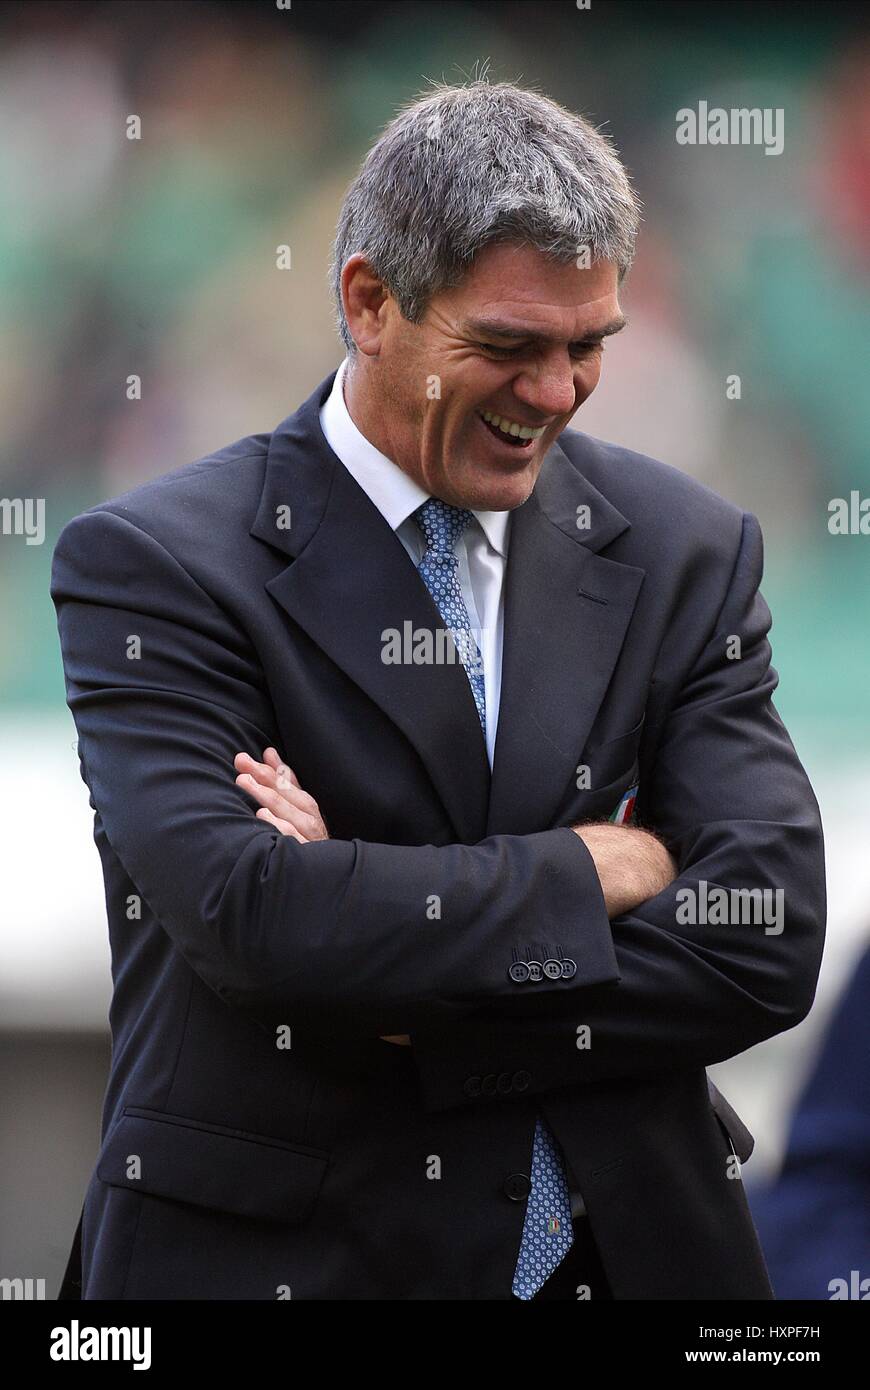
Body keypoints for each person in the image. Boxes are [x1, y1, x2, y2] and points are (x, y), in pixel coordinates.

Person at [51, 79, 825, 1301]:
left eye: (590, 347)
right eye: (510, 346)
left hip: (634, 1258)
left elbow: (765, 934)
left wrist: (411, 984)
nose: (557, 392)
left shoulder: (686, 546)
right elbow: (252, 917)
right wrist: (592, 870)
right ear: (368, 302)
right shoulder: (157, 563)